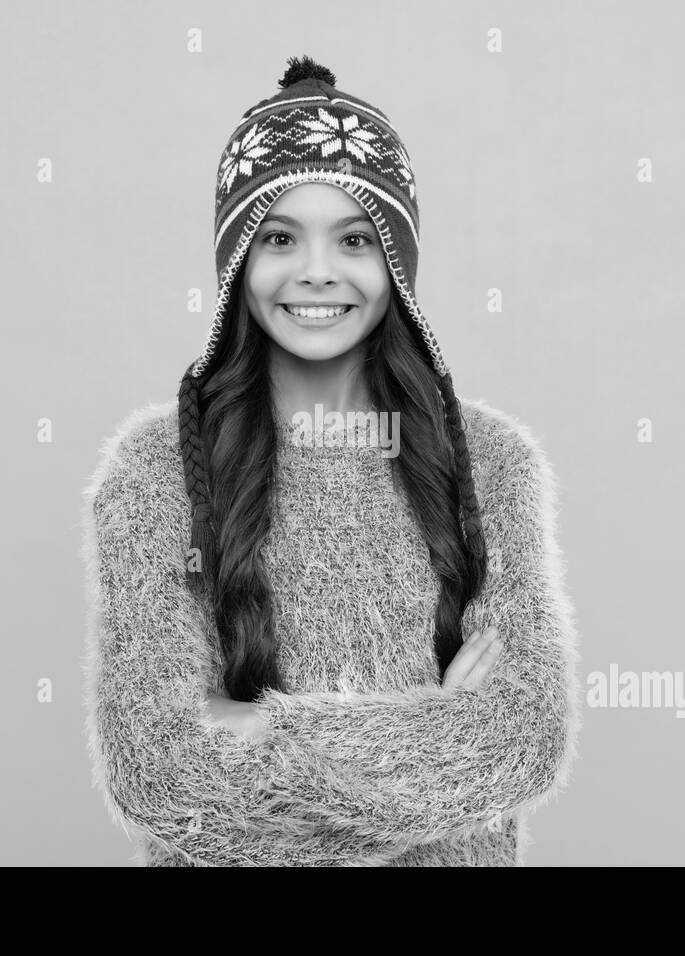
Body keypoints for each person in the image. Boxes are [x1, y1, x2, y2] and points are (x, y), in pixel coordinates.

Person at [81, 55, 583, 866]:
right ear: (238, 260)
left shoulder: (489, 461)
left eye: (354, 237)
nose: (316, 270)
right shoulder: (156, 474)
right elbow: (165, 778)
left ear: (398, 262)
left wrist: (265, 731)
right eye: (279, 236)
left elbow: (520, 740)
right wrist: (437, 735)